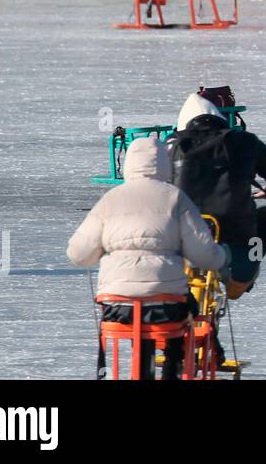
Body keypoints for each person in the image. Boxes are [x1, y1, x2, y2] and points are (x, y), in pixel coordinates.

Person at [69, 138, 228, 380]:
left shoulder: (111, 199)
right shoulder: (175, 198)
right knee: (179, 319)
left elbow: (79, 254)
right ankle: (171, 371)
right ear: (166, 165)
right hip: (166, 306)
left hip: (118, 307)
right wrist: (221, 257)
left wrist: (106, 249)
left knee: (138, 321)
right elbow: (205, 255)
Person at [173, 93, 266, 299]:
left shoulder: (171, 145)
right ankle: (244, 276)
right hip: (236, 239)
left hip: (181, 244)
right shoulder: (244, 142)